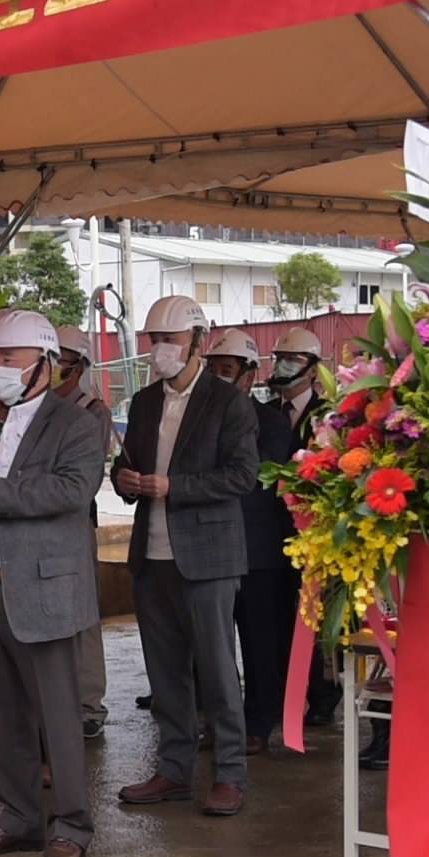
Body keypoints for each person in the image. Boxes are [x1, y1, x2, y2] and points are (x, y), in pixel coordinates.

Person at [0, 309, 105, 857]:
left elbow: (69, 490)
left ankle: (71, 826)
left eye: (7, 359)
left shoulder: (78, 424)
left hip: (44, 588)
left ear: (43, 364)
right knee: (4, 713)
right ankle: (17, 819)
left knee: (57, 715)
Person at [114, 297, 259, 816]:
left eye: (170, 341)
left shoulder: (228, 402)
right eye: (154, 341)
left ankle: (230, 774)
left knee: (218, 669)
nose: (160, 351)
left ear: (199, 341)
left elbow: (242, 476)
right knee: (165, 669)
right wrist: (125, 481)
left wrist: (174, 486)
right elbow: (125, 462)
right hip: (150, 556)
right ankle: (174, 769)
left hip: (208, 557)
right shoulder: (145, 401)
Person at [204, 329, 297, 755]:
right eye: (213, 370)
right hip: (211, 551)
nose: (218, 377)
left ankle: (258, 724)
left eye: (227, 370)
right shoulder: (196, 419)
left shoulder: (272, 424)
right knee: (215, 645)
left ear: (248, 375)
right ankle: (221, 722)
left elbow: (257, 480)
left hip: (259, 554)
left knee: (261, 643)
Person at [267, 326, 340, 728]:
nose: (283, 366)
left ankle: (323, 691)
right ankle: (285, 688)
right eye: (280, 357)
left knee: (314, 615)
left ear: (313, 369)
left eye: (293, 360)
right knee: (280, 617)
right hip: (274, 532)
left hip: (314, 533)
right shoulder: (266, 413)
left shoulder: (327, 416)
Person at [54, 324, 115, 740]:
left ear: (77, 368)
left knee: (82, 616)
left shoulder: (93, 411)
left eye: (60, 361)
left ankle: (88, 703)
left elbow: (81, 480)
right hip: (29, 529)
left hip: (75, 524)